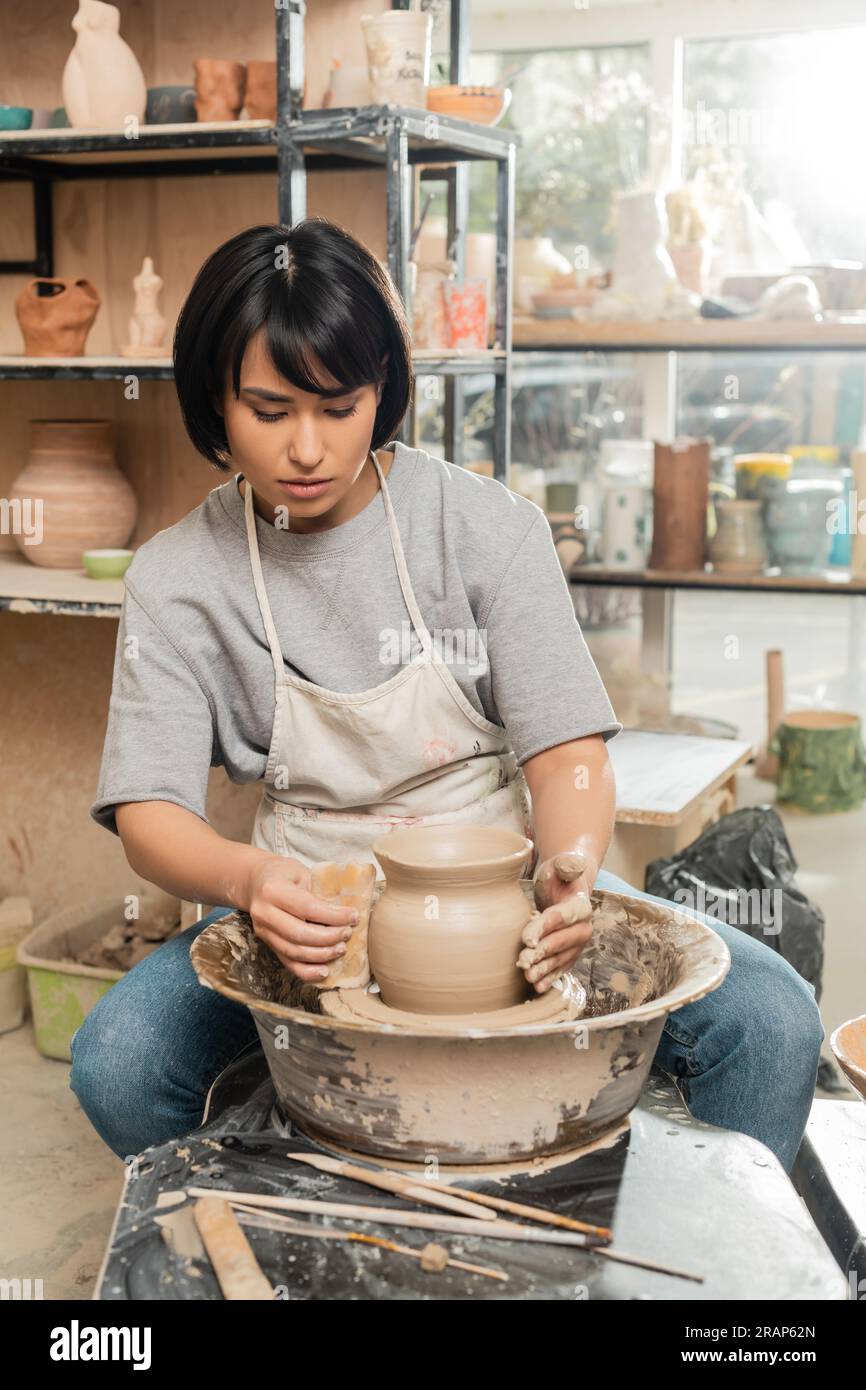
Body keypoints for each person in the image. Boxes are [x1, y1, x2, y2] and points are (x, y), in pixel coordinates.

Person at [69, 220, 822, 1172]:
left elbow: (568, 753)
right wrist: (248, 883)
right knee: (118, 1066)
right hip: (301, 912)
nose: (306, 447)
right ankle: (301, 1217)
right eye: (269, 411)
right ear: (214, 401)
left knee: (771, 1019)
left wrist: (573, 867)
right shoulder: (177, 578)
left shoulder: (481, 528)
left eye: (338, 407)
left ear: (381, 387)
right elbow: (150, 814)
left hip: (506, 902)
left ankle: (698, 1272)